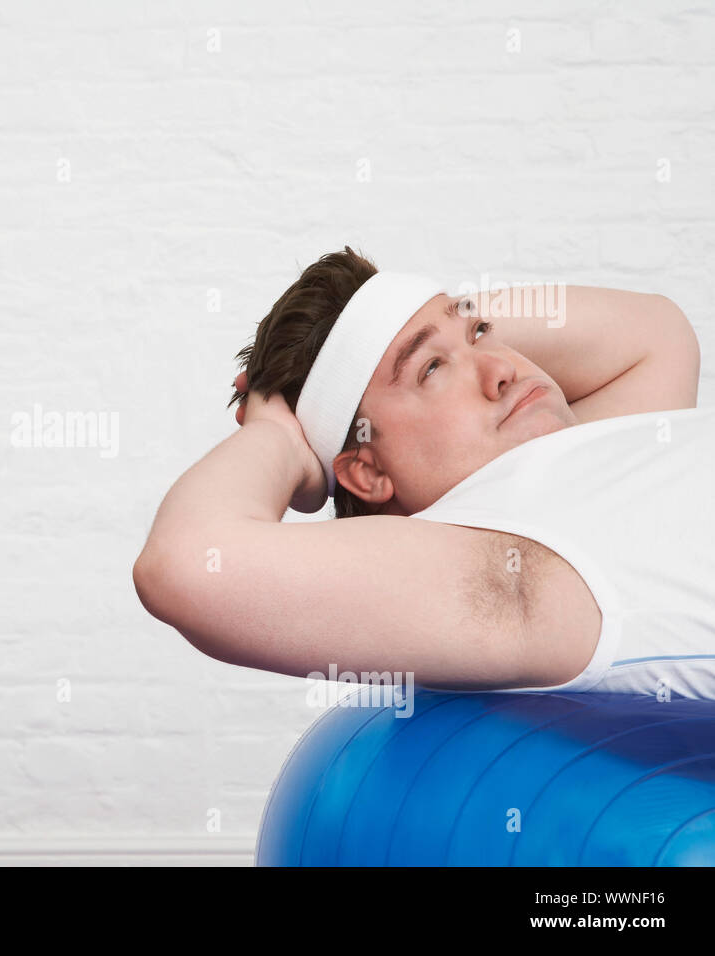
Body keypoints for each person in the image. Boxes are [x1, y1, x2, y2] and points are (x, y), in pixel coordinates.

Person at [132, 246, 714, 699]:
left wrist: (433, 318)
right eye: (431, 369)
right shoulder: (506, 557)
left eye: (482, 333)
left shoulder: (589, 456)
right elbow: (185, 565)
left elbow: (655, 331)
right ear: (366, 470)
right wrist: (278, 440)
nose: (500, 367)